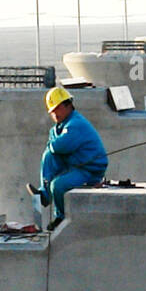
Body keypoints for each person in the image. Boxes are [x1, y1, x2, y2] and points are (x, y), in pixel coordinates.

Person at [27, 86, 108, 223]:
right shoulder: (61, 126)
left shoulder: (76, 124)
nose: (55, 114)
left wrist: (52, 143)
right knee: (48, 156)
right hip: (75, 164)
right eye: (52, 111)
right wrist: (53, 144)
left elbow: (60, 146)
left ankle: (61, 218)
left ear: (68, 105)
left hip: (89, 170)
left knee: (58, 185)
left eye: (57, 109)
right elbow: (54, 144)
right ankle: (44, 194)